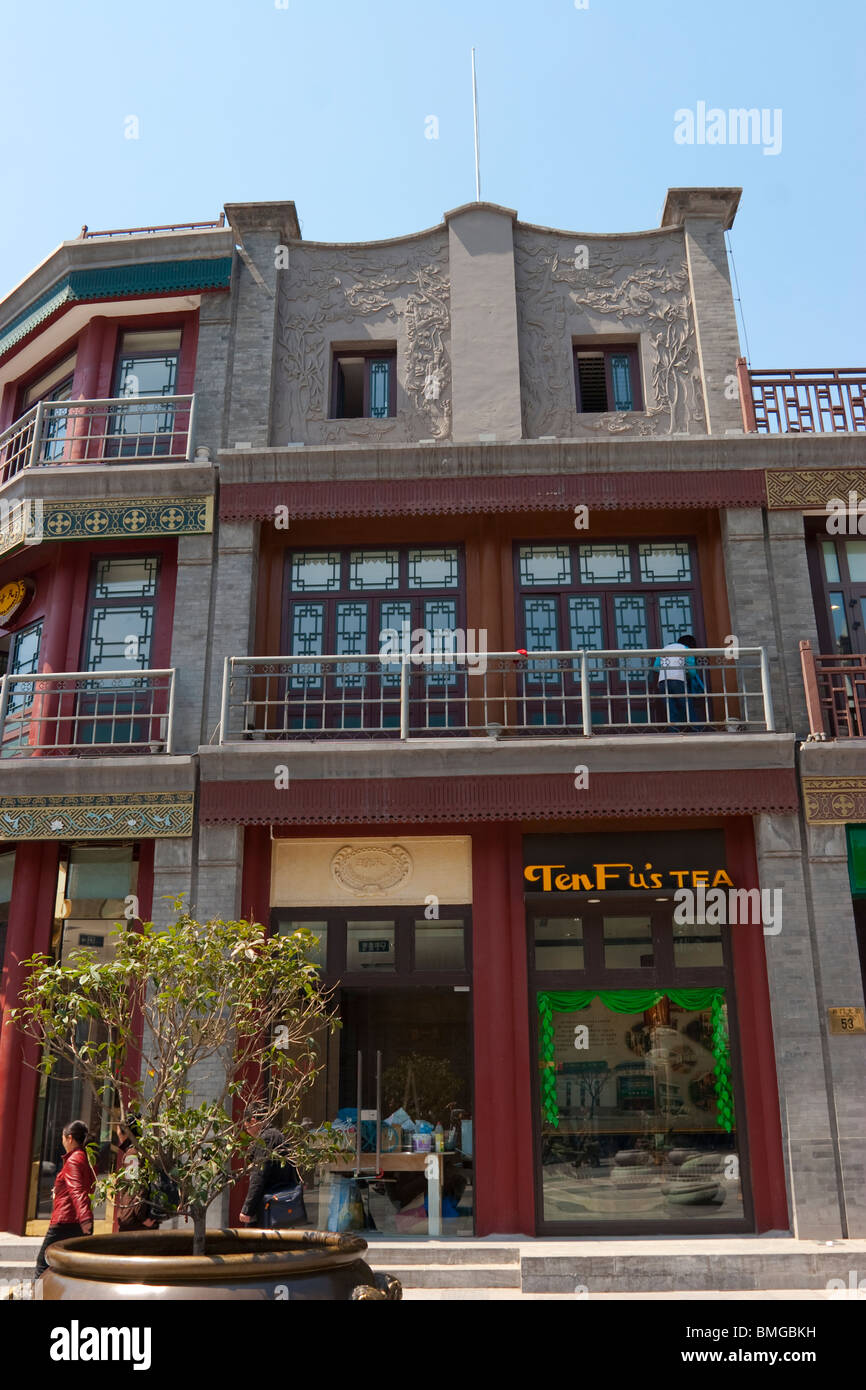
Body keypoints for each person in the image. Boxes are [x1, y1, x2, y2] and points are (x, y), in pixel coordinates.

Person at [35, 1120, 96, 1278]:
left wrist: (85, 1219)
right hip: (75, 1220)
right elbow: (87, 1186)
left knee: (43, 1264)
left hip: (65, 1221)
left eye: (62, 1138)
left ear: (69, 1138)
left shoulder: (74, 1159)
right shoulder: (84, 1157)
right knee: (73, 1268)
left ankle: (38, 1295)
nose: (62, 1142)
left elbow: (77, 1190)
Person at [238, 1112, 301, 1227]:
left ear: (253, 1121)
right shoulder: (279, 1136)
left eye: (246, 1127)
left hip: (267, 1207)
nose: (247, 1131)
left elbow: (259, 1176)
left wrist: (247, 1209)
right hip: (281, 1204)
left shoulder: (266, 1139)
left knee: (255, 1243)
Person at [114, 1119, 158, 1233]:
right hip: (139, 1219)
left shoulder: (132, 1154)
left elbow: (135, 1188)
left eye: (118, 1130)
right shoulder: (142, 1149)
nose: (117, 1133)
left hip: (134, 1222)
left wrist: (142, 1218)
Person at [653, 633, 700, 729]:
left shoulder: (665, 649)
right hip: (678, 680)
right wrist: (687, 674)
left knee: (670, 708)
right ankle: (696, 729)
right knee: (687, 706)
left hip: (663, 681)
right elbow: (692, 671)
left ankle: (674, 731)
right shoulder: (686, 649)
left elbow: (656, 667)